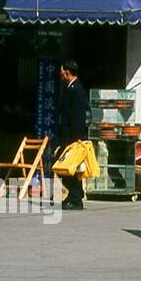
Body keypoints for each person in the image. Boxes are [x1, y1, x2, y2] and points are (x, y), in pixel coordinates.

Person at [56, 60, 90, 210]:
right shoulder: (71, 88)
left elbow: (78, 115)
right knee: (66, 167)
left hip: (72, 137)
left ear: (67, 73)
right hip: (68, 136)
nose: (60, 74)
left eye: (62, 72)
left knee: (69, 167)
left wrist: (77, 138)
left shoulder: (76, 89)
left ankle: (76, 198)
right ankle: (73, 195)